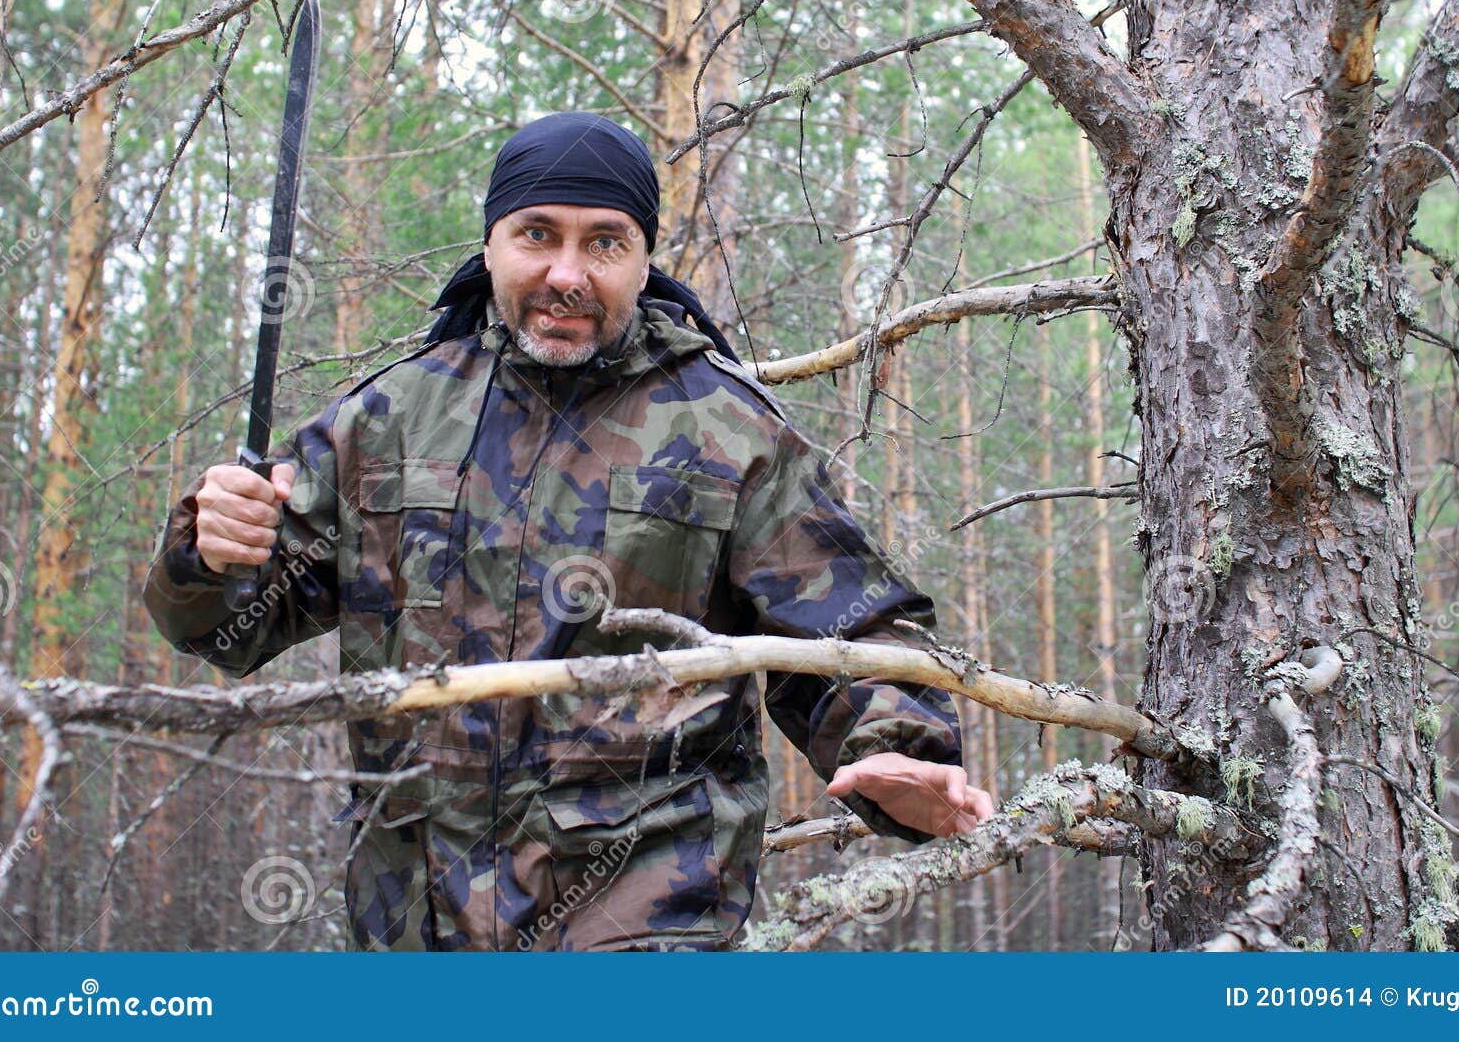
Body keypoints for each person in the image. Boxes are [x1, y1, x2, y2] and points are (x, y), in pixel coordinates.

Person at [143, 111, 993, 952]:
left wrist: (899, 748)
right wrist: (209, 550)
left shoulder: (726, 431)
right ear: (489, 246)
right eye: (537, 235)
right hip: (413, 924)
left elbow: (851, 627)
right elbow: (221, 626)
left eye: (604, 242)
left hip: (645, 926)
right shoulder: (386, 419)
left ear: (644, 258)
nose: (566, 273)